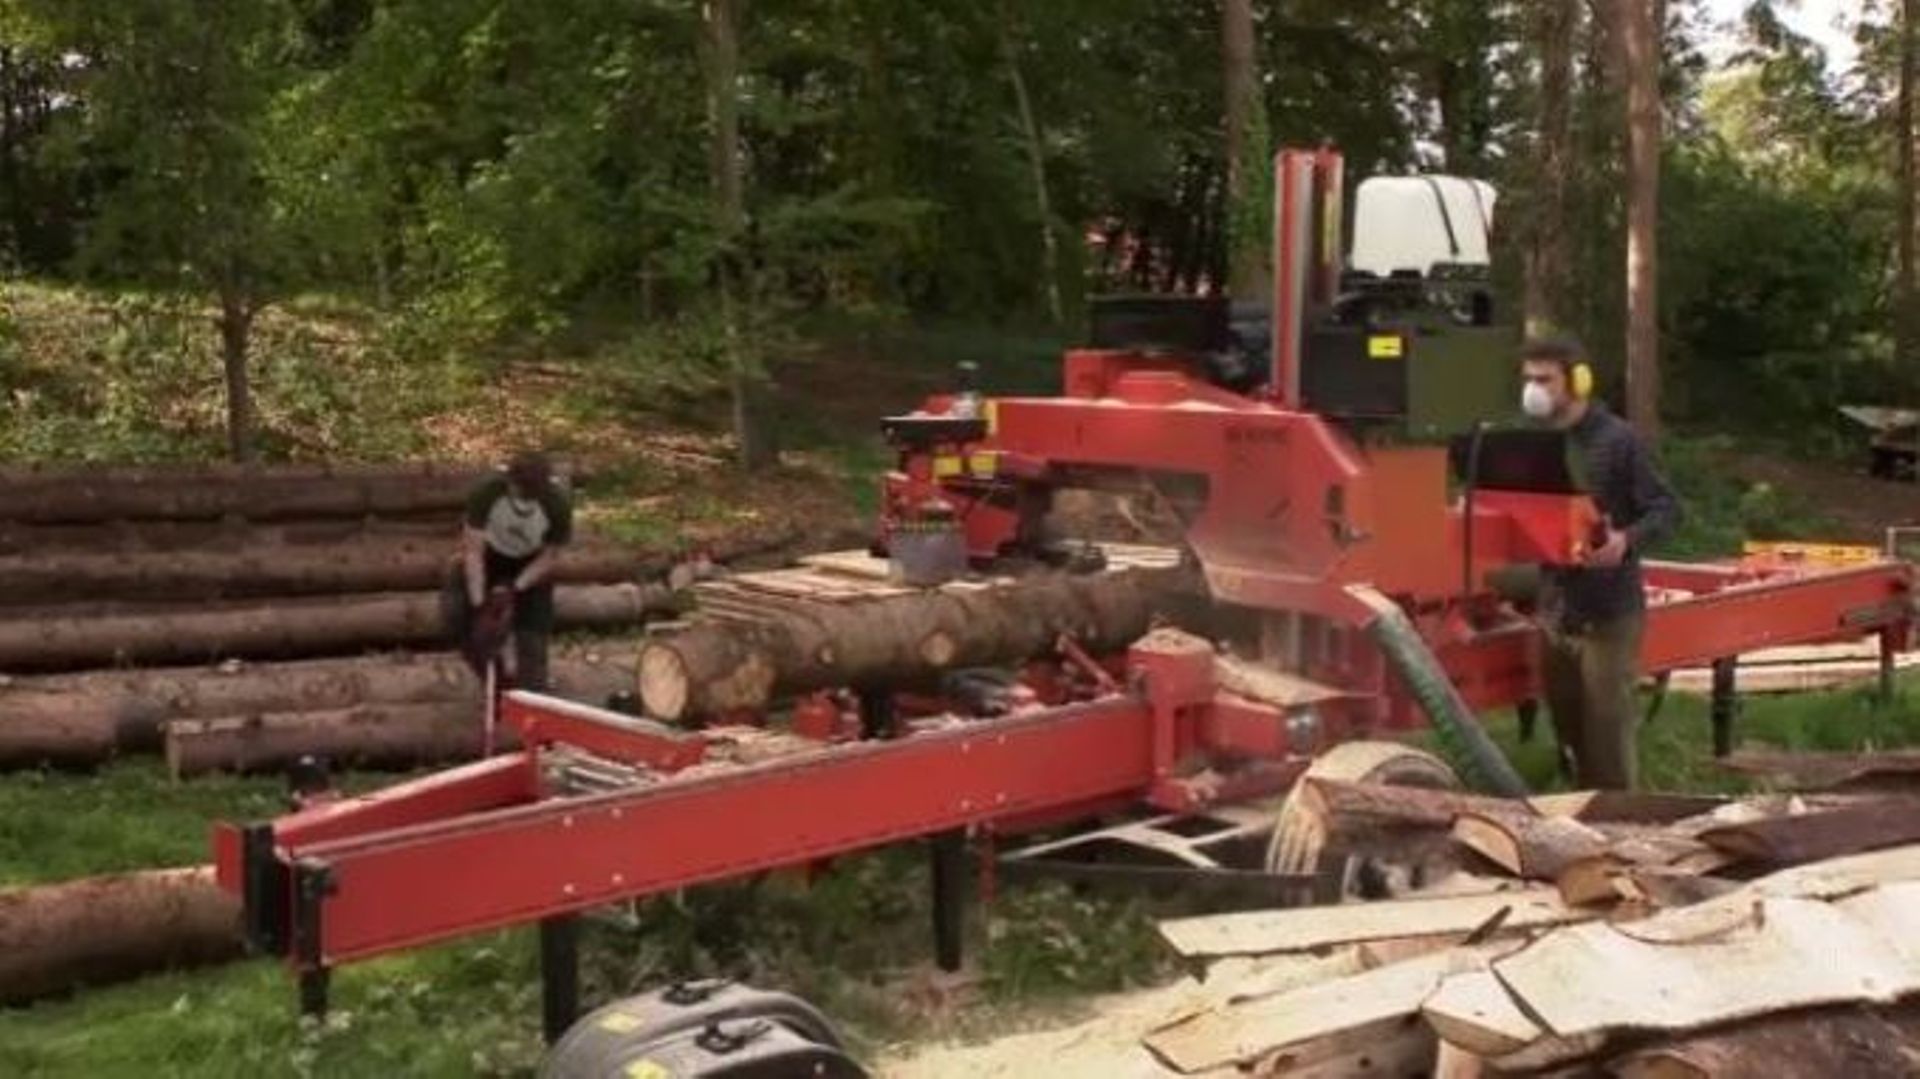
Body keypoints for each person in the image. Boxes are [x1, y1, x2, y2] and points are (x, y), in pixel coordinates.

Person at [1519, 337, 1680, 789]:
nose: (1534, 389)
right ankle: (1580, 820)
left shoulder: (1618, 440)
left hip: (1608, 611)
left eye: (1544, 379)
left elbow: (1666, 508)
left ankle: (1621, 829)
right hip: (1555, 609)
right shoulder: (1531, 442)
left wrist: (1624, 540)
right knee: (1569, 731)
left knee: (1606, 735)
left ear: (1576, 381)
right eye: (1528, 379)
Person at [443, 451, 572, 691]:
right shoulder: (488, 492)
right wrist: (480, 606)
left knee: (532, 642)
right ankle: (495, 681)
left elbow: (551, 555)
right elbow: (473, 552)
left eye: (532, 497)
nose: (524, 503)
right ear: (510, 482)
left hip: (530, 563)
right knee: (455, 614)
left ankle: (531, 693)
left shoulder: (557, 503)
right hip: (489, 555)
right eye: (520, 494)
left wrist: (515, 588)